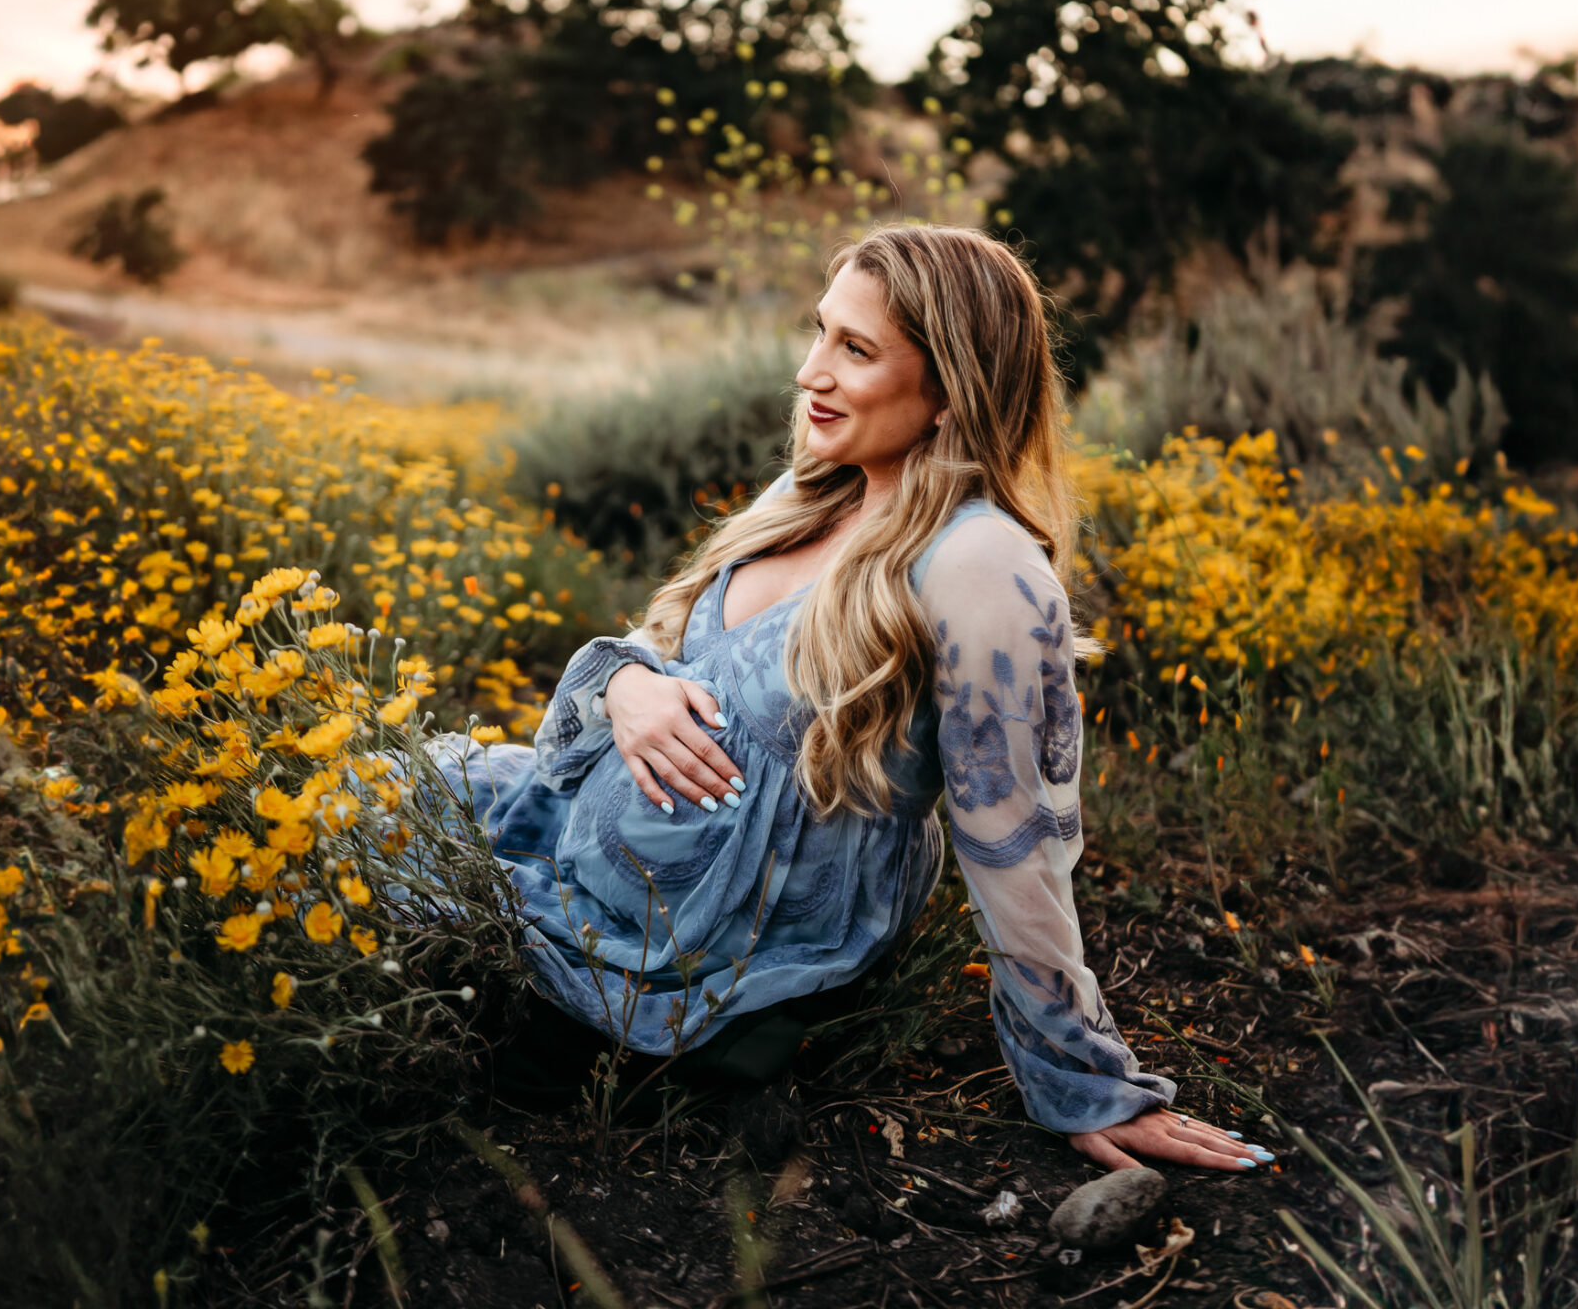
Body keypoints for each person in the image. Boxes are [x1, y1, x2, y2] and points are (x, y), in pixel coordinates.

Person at [442, 224, 1268, 1170]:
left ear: (950, 386)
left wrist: (1078, 1076)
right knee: (345, 803)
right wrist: (626, 684)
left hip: (696, 960)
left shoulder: (978, 562)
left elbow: (1017, 843)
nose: (809, 372)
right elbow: (652, 647)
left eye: (855, 349)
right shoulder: (814, 493)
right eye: (819, 333)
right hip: (561, 846)